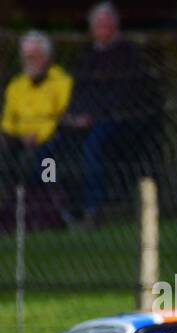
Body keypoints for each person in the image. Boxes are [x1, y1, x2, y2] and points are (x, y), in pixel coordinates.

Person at [63, 3, 157, 225]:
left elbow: (126, 96)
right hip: (83, 121)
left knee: (93, 147)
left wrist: (92, 117)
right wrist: (74, 116)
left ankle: (93, 210)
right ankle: (56, 211)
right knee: (53, 147)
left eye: (107, 24)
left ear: (115, 25)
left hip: (119, 121)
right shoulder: (86, 57)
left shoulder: (129, 55)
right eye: (98, 24)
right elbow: (78, 93)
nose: (103, 28)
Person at [1, 32, 73, 189]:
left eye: (35, 57)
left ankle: (48, 199)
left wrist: (38, 135)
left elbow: (62, 115)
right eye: (26, 57)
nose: (29, 62)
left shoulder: (61, 81)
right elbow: (7, 122)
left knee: (47, 157)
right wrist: (19, 137)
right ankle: (9, 201)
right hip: (19, 139)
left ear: (46, 58)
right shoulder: (16, 85)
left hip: (51, 138)